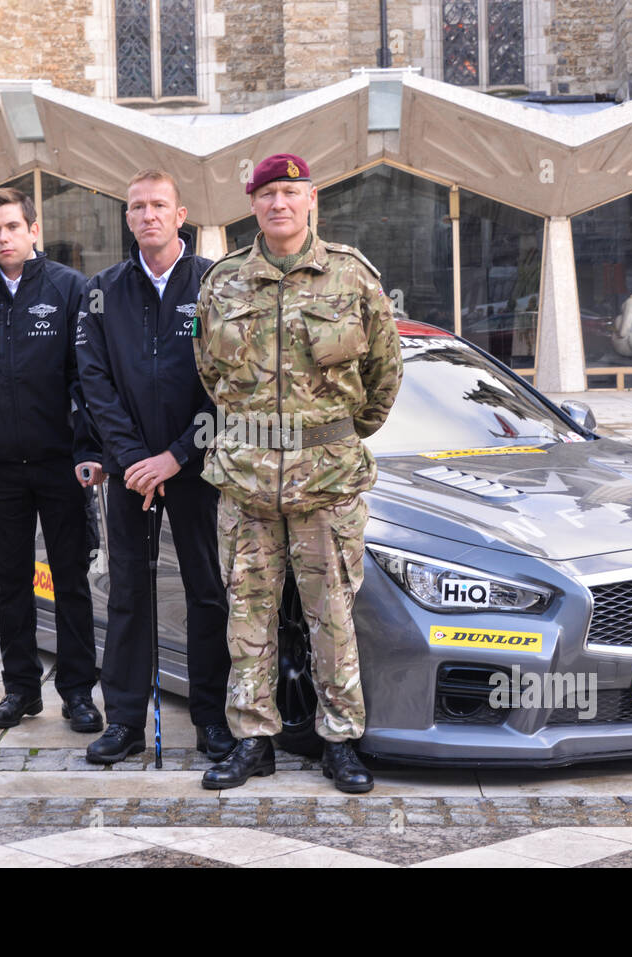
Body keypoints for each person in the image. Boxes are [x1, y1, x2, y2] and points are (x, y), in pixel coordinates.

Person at [193, 154, 403, 792]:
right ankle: (253, 739)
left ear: (311, 199)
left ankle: (340, 741)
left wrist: (327, 439)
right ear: (252, 205)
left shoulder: (353, 278)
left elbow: (383, 379)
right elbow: (211, 374)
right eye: (267, 194)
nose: (278, 203)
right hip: (247, 482)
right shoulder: (223, 283)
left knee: (332, 616)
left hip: (328, 481)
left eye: (290, 192)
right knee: (247, 616)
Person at [76, 170, 234, 765]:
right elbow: (95, 382)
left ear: (180, 214)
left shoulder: (217, 284)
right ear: (127, 218)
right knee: (127, 593)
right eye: (137, 206)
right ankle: (123, 722)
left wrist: (176, 456)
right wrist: (135, 460)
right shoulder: (103, 290)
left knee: (207, 593)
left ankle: (214, 719)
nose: (147, 215)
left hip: (198, 470)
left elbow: (228, 387)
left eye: (158, 205)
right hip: (131, 473)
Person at [0, 187, 104, 733]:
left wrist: (90, 450)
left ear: (34, 230)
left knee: (70, 579)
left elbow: (86, 379)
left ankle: (77, 692)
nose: (3, 237)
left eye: (12, 227)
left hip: (61, 464)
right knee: (10, 581)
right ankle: (21, 690)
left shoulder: (70, 288)